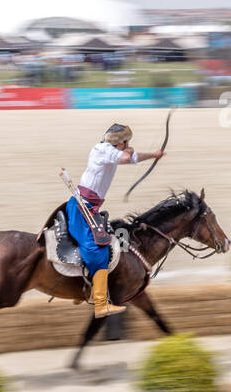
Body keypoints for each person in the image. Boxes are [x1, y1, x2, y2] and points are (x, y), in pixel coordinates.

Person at [66, 123, 165, 318]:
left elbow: (132, 158)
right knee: (98, 252)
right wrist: (129, 150)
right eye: (127, 141)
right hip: (82, 208)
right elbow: (128, 157)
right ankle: (100, 303)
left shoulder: (109, 150)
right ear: (120, 143)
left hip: (89, 206)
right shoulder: (104, 150)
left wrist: (154, 155)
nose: (129, 144)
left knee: (106, 245)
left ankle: (82, 289)